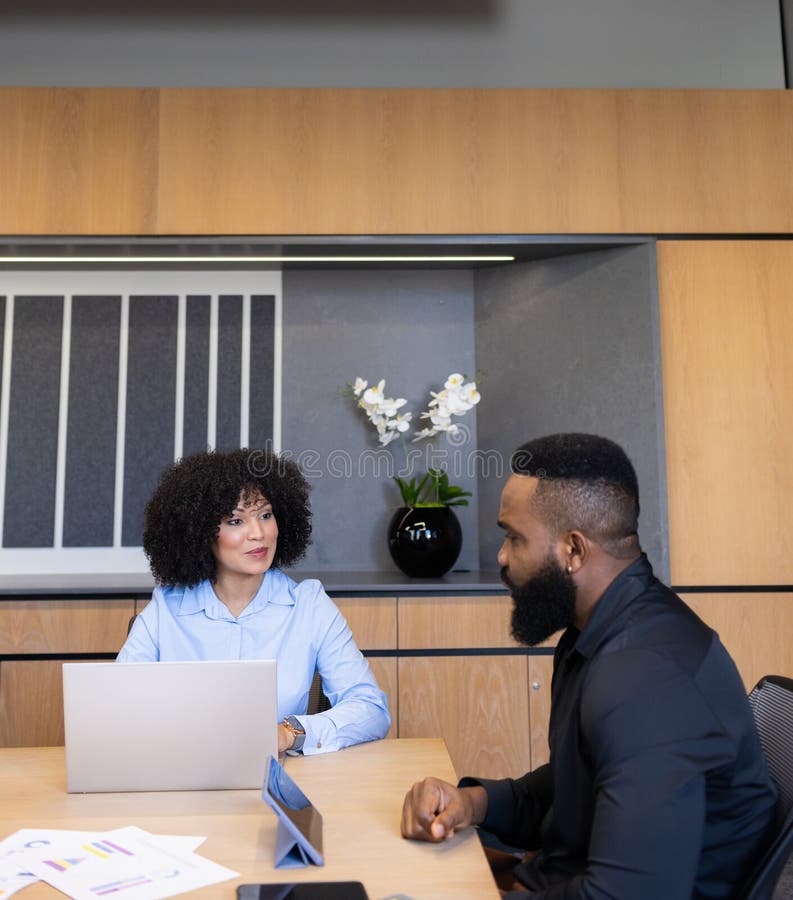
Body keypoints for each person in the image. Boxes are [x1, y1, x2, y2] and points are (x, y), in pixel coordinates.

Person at [401, 433, 777, 899]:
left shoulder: (648, 678)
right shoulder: (596, 631)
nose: (501, 557)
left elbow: (627, 895)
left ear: (573, 551)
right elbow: (575, 788)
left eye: (514, 538)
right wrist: (472, 802)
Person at [118, 447, 390, 756]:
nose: (258, 533)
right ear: (200, 531)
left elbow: (371, 710)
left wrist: (289, 733)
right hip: (181, 773)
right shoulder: (165, 610)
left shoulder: (309, 605)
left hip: (274, 774)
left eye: (265, 515)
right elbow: (117, 708)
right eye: (236, 521)